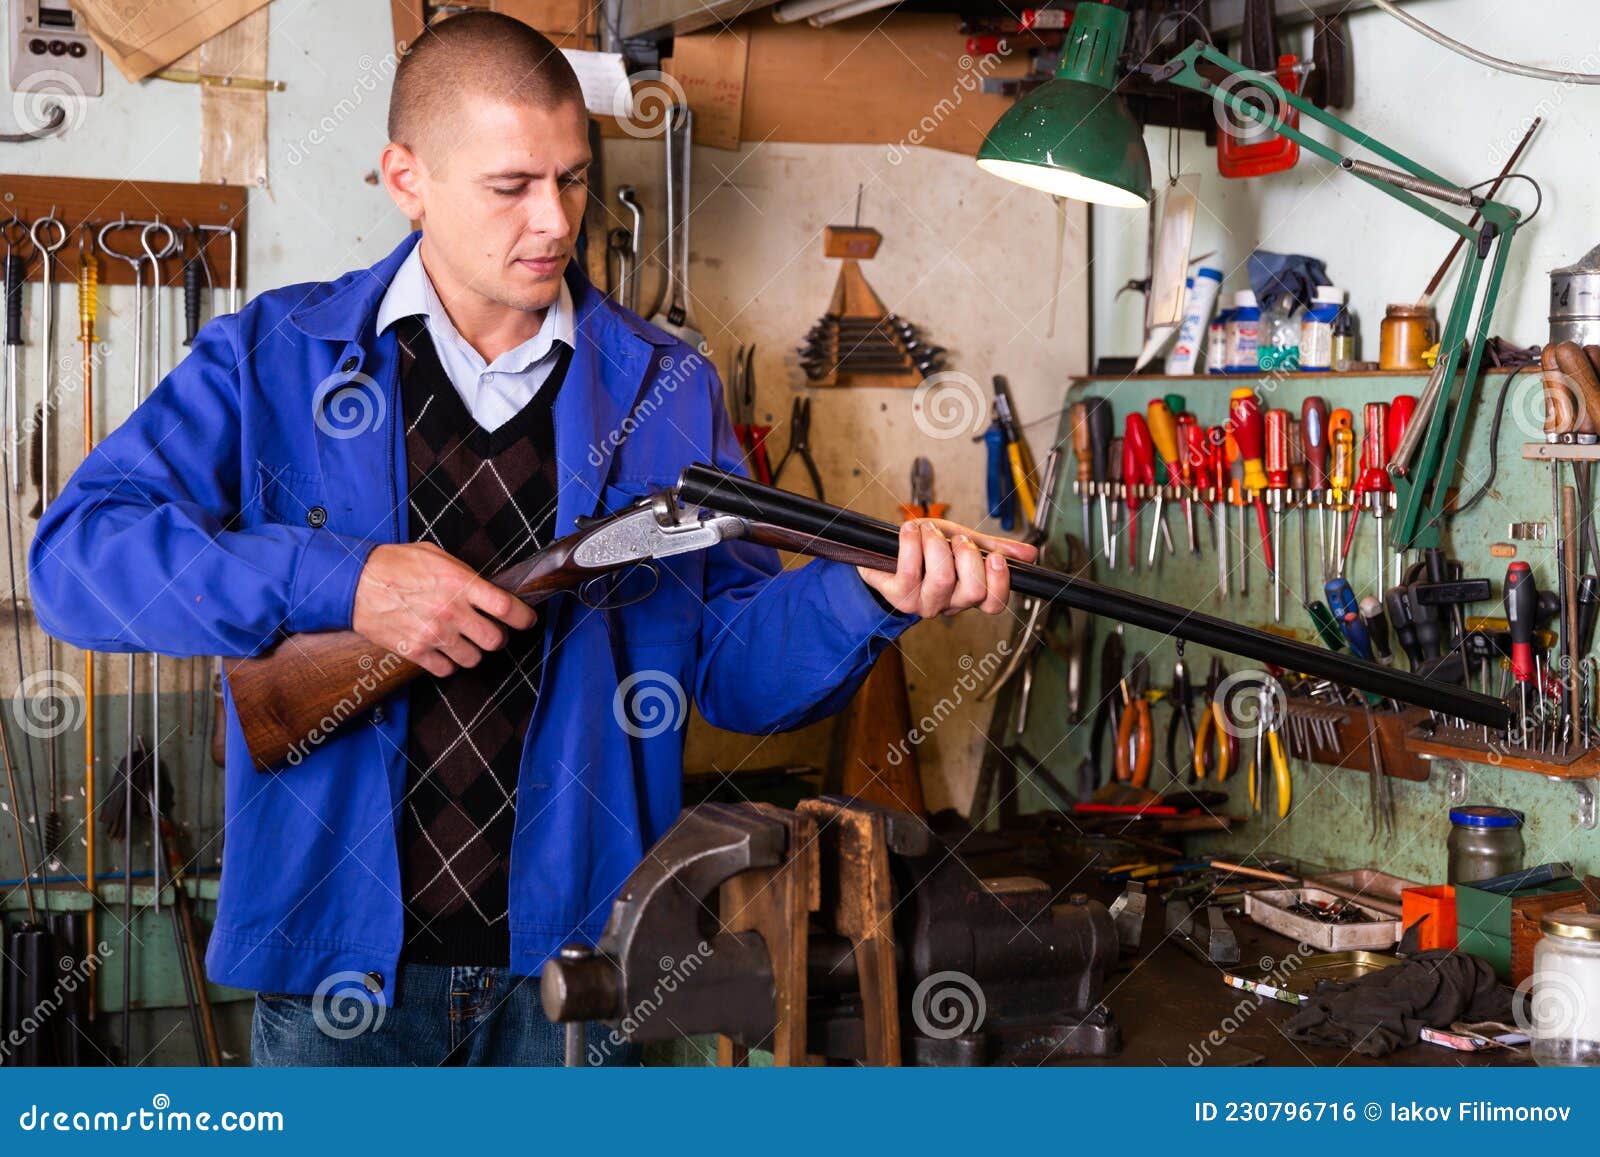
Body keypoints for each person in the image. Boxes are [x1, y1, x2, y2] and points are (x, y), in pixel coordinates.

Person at [29, 12, 1034, 1066]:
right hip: (340, 984)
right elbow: (78, 562)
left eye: (572, 178)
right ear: (406, 177)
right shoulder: (273, 355)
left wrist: (863, 594)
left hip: (581, 977)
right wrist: (345, 580)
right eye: (510, 186)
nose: (553, 220)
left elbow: (732, 673)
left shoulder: (666, 386)